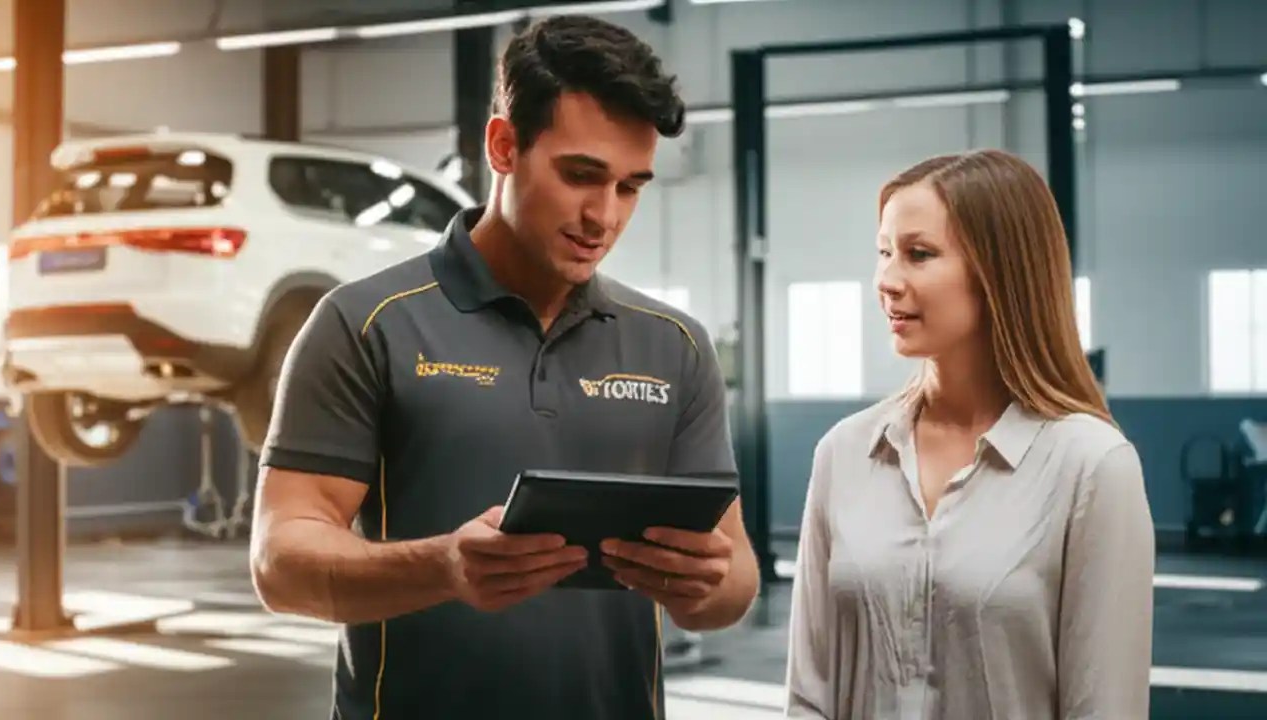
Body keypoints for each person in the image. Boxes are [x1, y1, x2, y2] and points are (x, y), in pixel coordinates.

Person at [248, 14, 759, 720]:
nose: (603, 216)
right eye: (580, 175)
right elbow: (281, 565)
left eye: (630, 187)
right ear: (503, 145)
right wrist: (444, 568)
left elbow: (734, 583)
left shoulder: (673, 346)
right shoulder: (365, 324)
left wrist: (706, 584)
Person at [785, 149, 1155, 719]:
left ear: (999, 270)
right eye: (884, 253)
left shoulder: (1093, 466)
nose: (886, 280)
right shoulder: (844, 453)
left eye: (918, 254)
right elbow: (809, 696)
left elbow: (1105, 708)